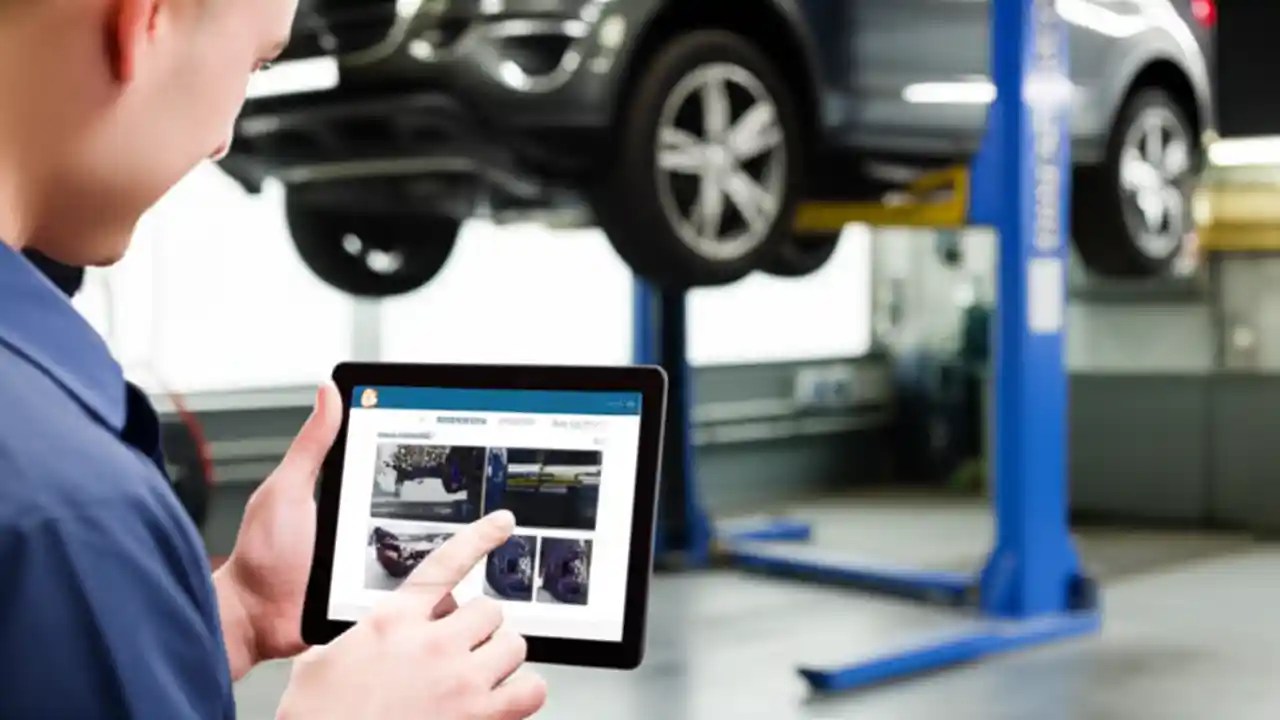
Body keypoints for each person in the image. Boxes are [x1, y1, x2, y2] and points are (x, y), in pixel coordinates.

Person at [0, 0, 547, 718]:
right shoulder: (70, 512)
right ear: (143, 22)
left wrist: (237, 614)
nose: (222, 141)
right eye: (257, 62)